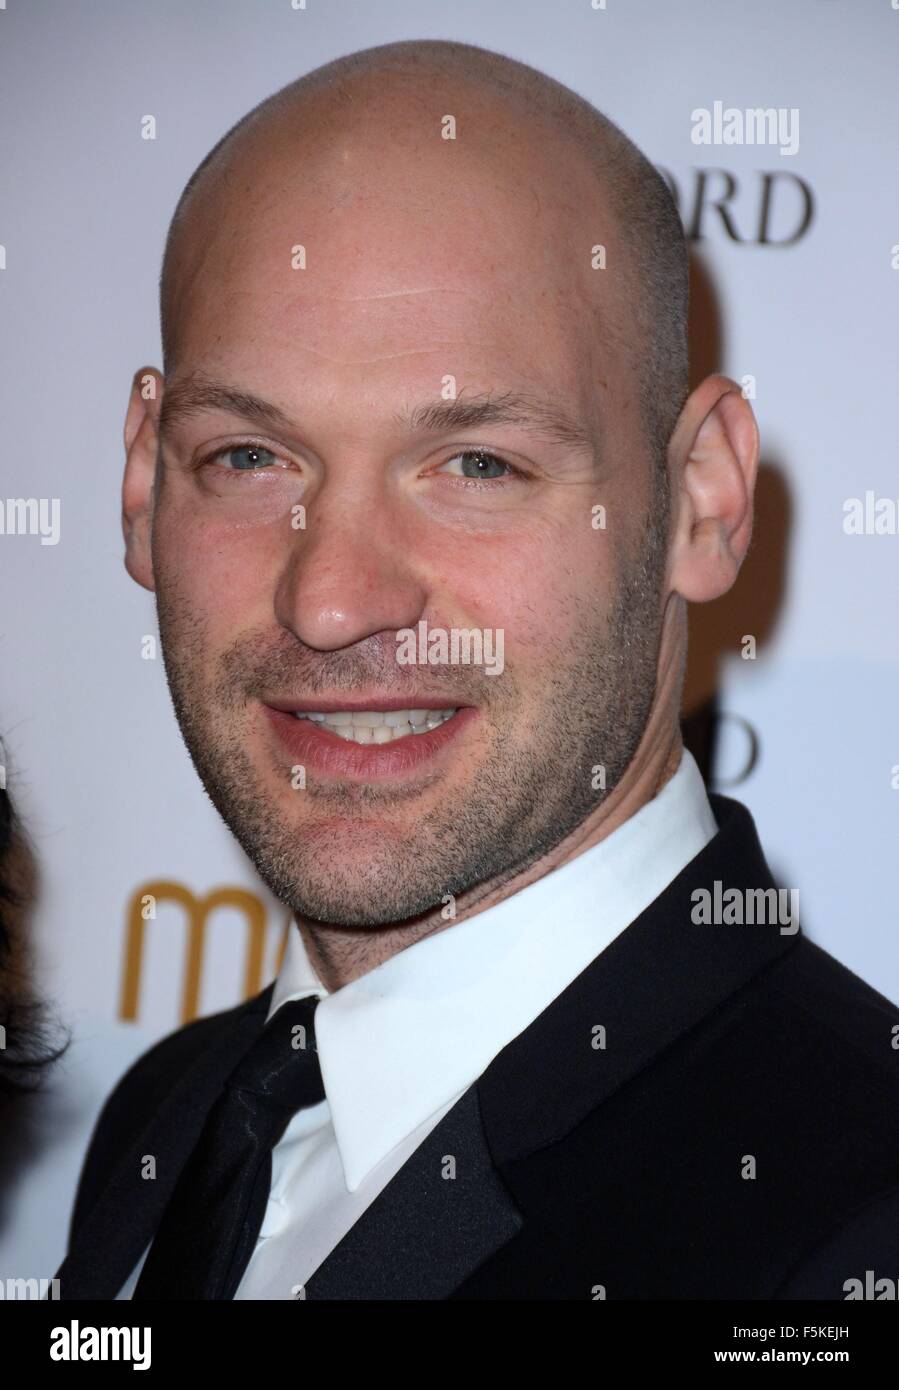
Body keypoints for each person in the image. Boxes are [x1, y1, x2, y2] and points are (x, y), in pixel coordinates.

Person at [57, 39, 899, 1300]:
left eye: (475, 467)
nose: (330, 599)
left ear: (698, 501)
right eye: (247, 457)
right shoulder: (169, 1117)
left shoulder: (854, 1218)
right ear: (141, 485)